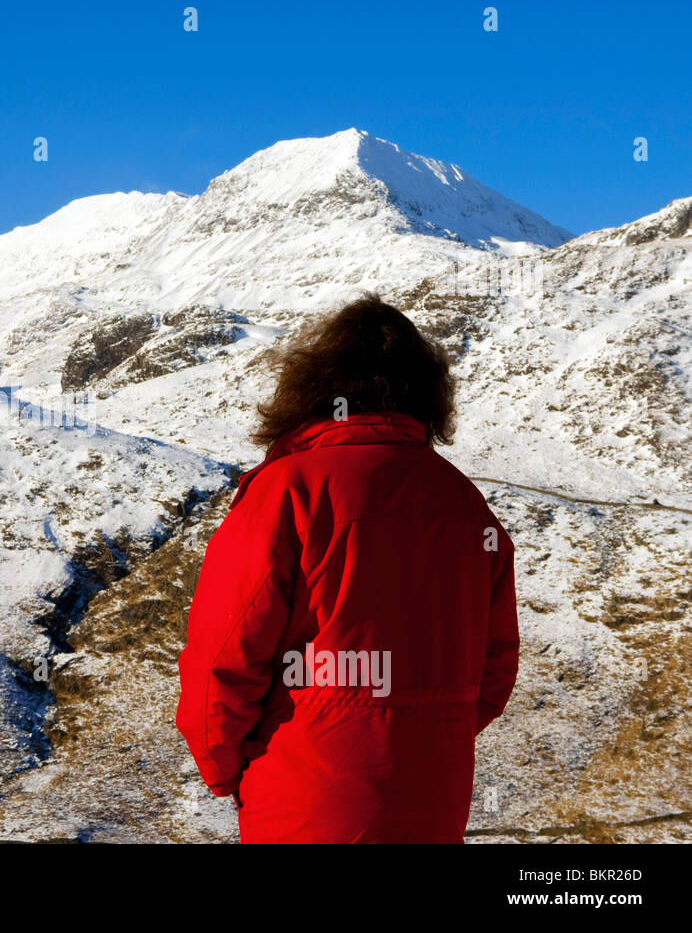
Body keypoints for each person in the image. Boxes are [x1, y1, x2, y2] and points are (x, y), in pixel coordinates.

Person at [176, 293, 519, 843]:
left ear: (311, 389)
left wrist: (227, 771)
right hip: (433, 804)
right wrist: (421, 739)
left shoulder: (287, 493)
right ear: (427, 396)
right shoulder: (463, 501)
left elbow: (224, 658)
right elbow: (493, 669)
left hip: (303, 803)